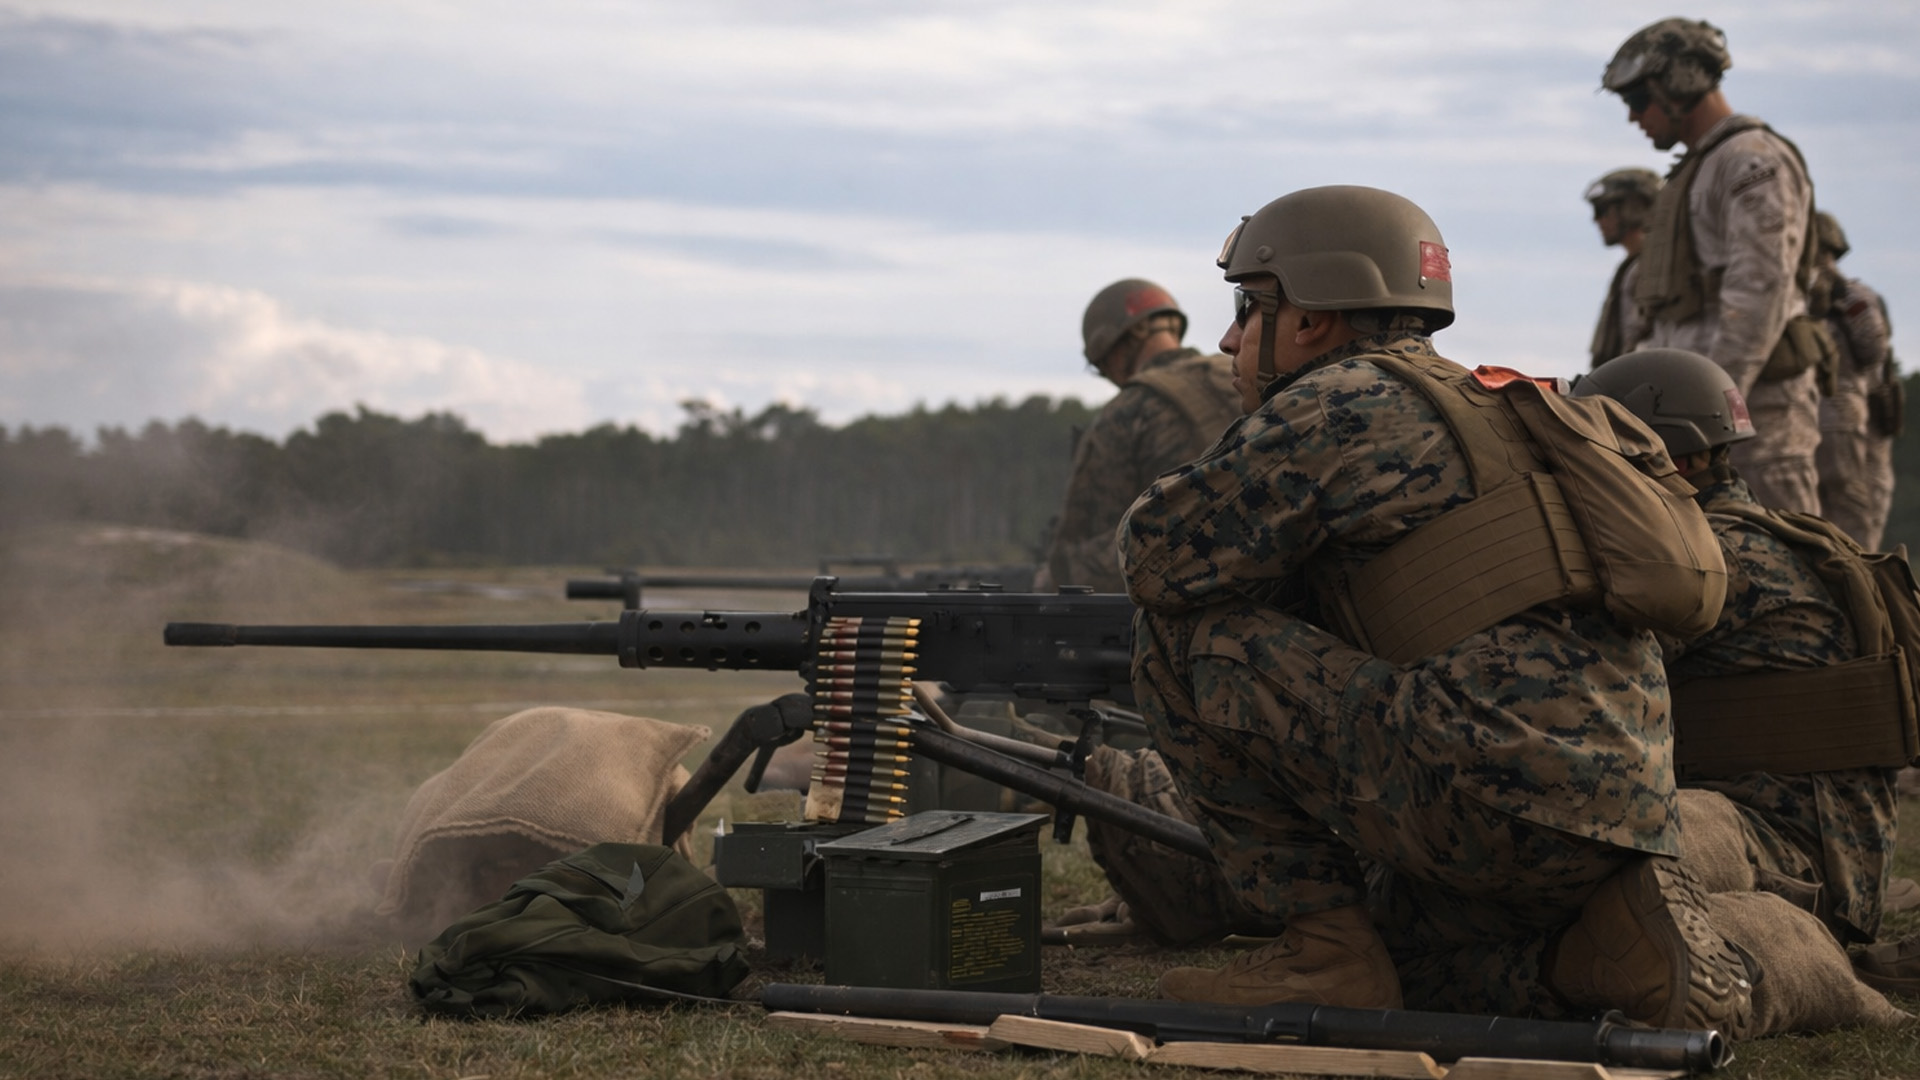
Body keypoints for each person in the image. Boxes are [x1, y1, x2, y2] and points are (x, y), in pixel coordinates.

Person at [1117, 184, 1753, 1033]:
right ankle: (1596, 954)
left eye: (1249, 305)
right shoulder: (1517, 401)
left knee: (1182, 632)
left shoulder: (1336, 402)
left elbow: (1157, 559)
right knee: (1411, 960)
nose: (1230, 338)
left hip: (1483, 799)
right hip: (1620, 812)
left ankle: (1323, 950)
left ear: (1310, 320)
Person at [1573, 349, 1906, 948]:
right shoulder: (1758, 536)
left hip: (1792, 874)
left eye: (1607, 454)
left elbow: (1570, 682)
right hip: (1820, 867)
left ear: (1688, 457)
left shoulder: (1715, 561)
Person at [1602, 17, 1827, 514]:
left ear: (1679, 82)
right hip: (1703, 424)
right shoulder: (1699, 168)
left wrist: (1717, 411)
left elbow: (1759, 290)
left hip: (1750, 422)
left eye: (1639, 99)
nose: (1635, 118)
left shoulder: (1748, 159)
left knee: (1791, 561)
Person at [1039, 279, 1239, 593]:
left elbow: (1083, 539)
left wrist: (1051, 577)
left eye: (1102, 366)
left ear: (1118, 344)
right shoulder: (1240, 375)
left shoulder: (1128, 409)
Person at [1810, 212, 1900, 550]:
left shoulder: (1820, 294)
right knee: (1856, 513)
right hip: (1845, 415)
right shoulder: (1848, 294)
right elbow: (1873, 349)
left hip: (1823, 416)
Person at [1586, 167, 1664, 369]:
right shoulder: (1632, 267)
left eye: (1602, 210)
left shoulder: (1652, 267)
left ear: (1633, 207)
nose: (1597, 220)